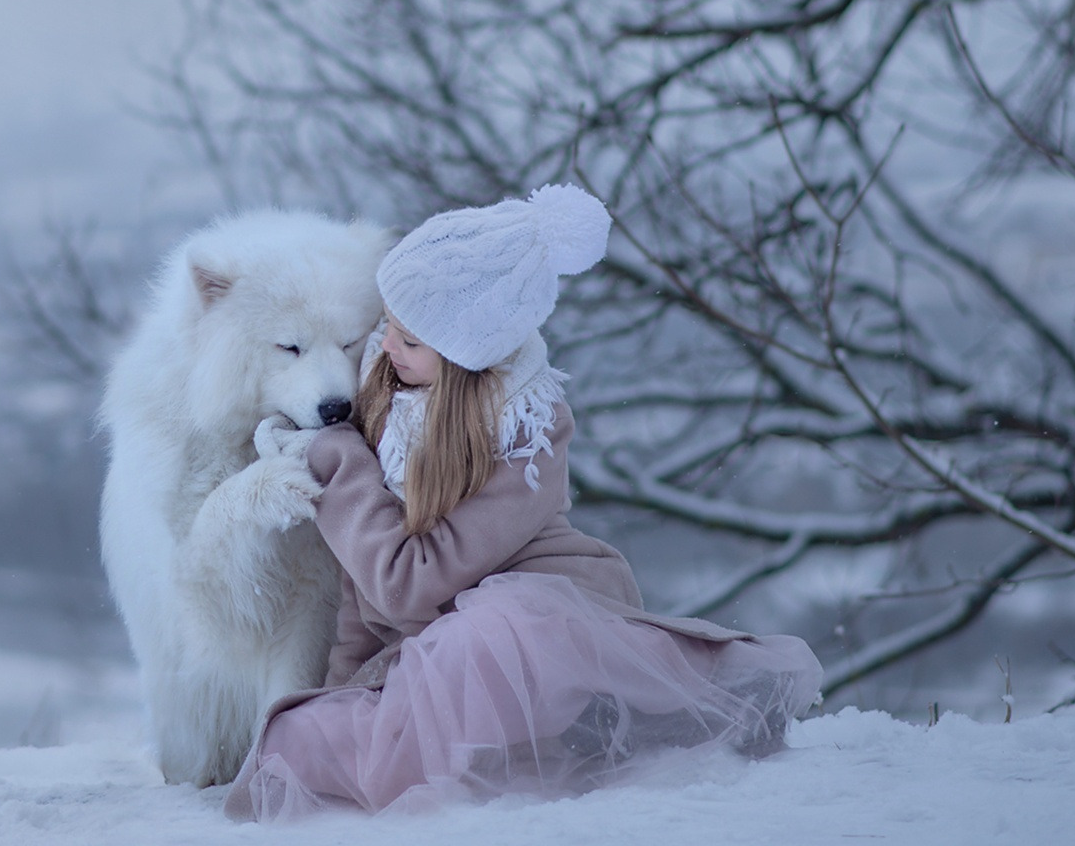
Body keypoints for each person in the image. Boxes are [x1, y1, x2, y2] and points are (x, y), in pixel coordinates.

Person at [224, 184, 823, 821]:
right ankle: (542, 730)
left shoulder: (527, 432)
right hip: (428, 647)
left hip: (534, 623)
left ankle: (637, 708)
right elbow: (363, 586)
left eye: (410, 340)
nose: (387, 347)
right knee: (296, 742)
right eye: (387, 325)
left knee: (483, 633)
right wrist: (345, 688)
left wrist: (337, 460)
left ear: (464, 359)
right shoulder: (387, 386)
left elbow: (405, 581)